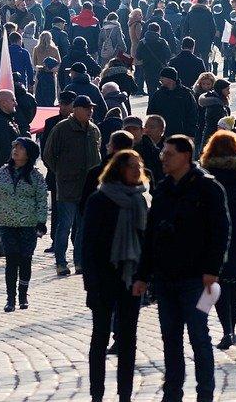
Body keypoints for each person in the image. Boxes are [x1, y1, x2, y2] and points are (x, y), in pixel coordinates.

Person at [133, 135, 229, 402]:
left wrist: (212, 269)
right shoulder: (162, 189)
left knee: (199, 336)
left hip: (197, 280)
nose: (163, 158)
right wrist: (143, 275)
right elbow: (151, 234)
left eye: (169, 154)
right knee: (170, 339)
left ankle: (204, 394)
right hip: (165, 279)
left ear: (186, 156)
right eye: (163, 153)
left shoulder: (208, 188)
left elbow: (220, 232)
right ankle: (172, 393)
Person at [80, 149, 149, 402]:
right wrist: (91, 284)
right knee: (100, 337)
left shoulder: (140, 200)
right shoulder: (100, 200)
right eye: (132, 166)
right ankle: (97, 393)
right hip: (103, 279)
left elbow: (145, 242)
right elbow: (87, 245)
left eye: (139, 165)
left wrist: (145, 276)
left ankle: (125, 394)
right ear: (119, 169)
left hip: (131, 279)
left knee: (128, 339)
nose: (136, 170)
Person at [200, 130, 236, 349]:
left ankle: (226, 328)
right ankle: (231, 328)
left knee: (219, 282)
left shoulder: (207, 177)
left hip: (213, 235)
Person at [42, 93, 102, 276]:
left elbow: (97, 154)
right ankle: (61, 262)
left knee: (83, 227)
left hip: (88, 187)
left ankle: (79, 262)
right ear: (76, 109)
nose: (90, 111)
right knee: (65, 226)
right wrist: (61, 172)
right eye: (86, 108)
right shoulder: (62, 129)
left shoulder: (93, 130)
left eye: (91, 108)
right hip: (67, 186)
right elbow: (48, 155)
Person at [0, 136, 48, 311]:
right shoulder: (2, 172)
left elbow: (42, 200)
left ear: (28, 153)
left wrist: (41, 222)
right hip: (7, 224)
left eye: (20, 147)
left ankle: (23, 295)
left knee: (25, 260)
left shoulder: (36, 176)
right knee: (11, 261)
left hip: (28, 225)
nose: (15, 150)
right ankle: (10, 298)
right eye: (14, 147)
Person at [148, 66, 199, 142]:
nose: (160, 80)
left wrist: (191, 134)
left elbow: (192, 114)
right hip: (162, 134)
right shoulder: (158, 94)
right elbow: (151, 112)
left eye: (162, 77)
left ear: (170, 79)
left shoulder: (185, 94)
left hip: (182, 133)